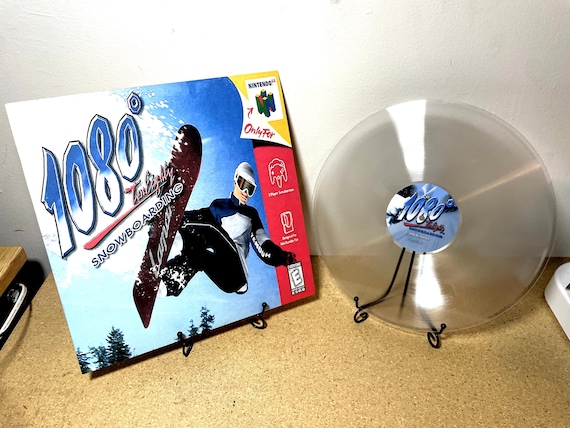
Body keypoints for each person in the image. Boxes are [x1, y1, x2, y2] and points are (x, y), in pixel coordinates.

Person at [158, 161, 295, 297]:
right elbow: (197, 217)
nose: (246, 192)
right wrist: (171, 217)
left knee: (209, 229)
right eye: (243, 185)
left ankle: (174, 239)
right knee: (198, 255)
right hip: (223, 275)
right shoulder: (219, 206)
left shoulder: (251, 214)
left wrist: (280, 257)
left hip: (237, 272)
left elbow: (262, 242)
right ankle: (165, 285)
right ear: (235, 180)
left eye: (250, 189)